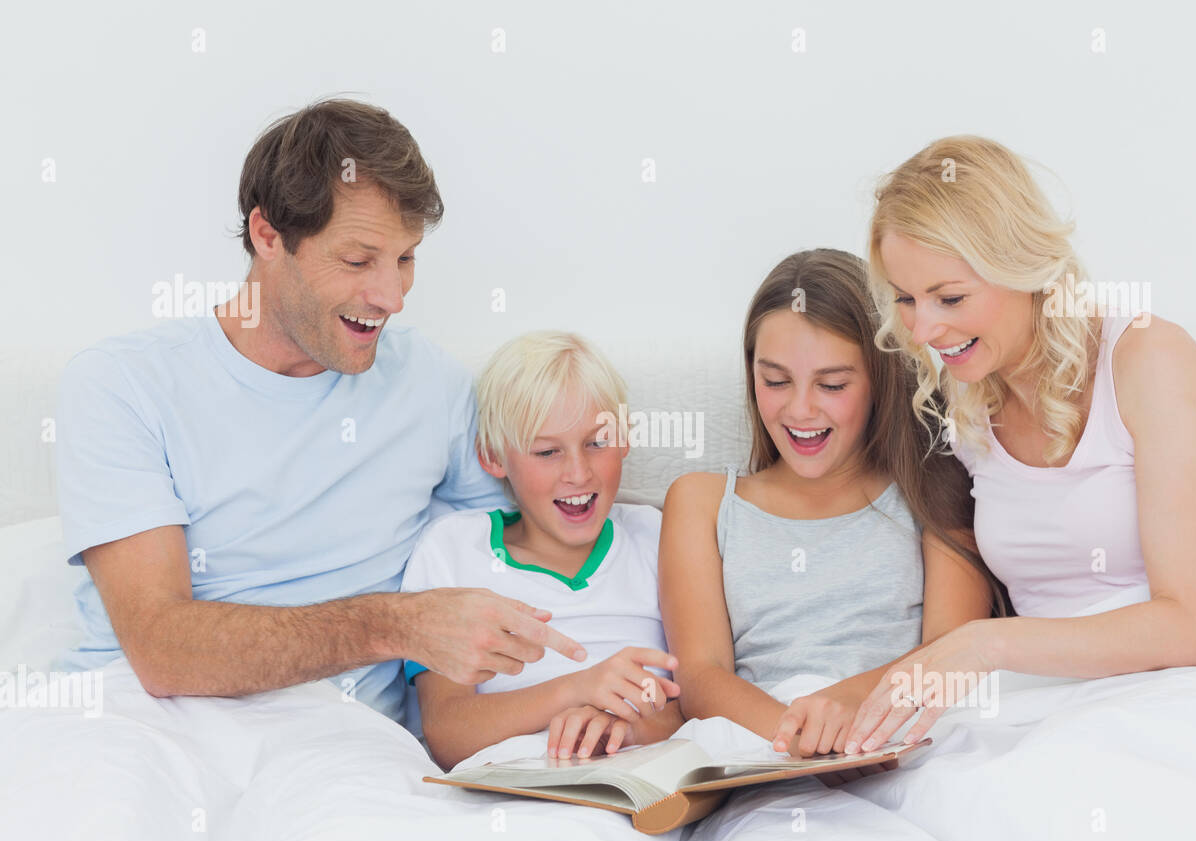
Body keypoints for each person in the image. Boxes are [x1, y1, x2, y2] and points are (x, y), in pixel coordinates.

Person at [53, 97, 583, 734]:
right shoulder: (123, 385)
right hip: (139, 724)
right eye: (358, 261)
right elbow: (163, 650)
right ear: (268, 235)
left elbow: (525, 543)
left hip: (338, 743)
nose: (391, 297)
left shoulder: (431, 384)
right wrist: (396, 624)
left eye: (406, 258)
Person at [843, 134, 1196, 752]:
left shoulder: (1148, 359)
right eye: (905, 298)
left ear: (1024, 269)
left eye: (950, 297)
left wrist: (988, 644)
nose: (924, 329)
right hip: (1045, 702)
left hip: (1188, 685)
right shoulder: (965, 399)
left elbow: (1189, 628)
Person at [660, 249, 1003, 759]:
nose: (800, 409)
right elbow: (701, 676)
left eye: (833, 384)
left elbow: (950, 653)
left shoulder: (933, 484)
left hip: (903, 738)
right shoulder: (702, 502)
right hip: (766, 754)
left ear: (879, 382)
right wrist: (800, 737)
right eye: (775, 381)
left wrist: (847, 715)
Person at [401, 331, 683, 770]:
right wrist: (576, 690)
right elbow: (447, 733)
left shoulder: (659, 538)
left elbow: (701, 701)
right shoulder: (451, 550)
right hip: (506, 790)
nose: (578, 472)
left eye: (597, 442)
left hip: (636, 780)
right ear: (493, 458)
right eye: (547, 451)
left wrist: (627, 728)